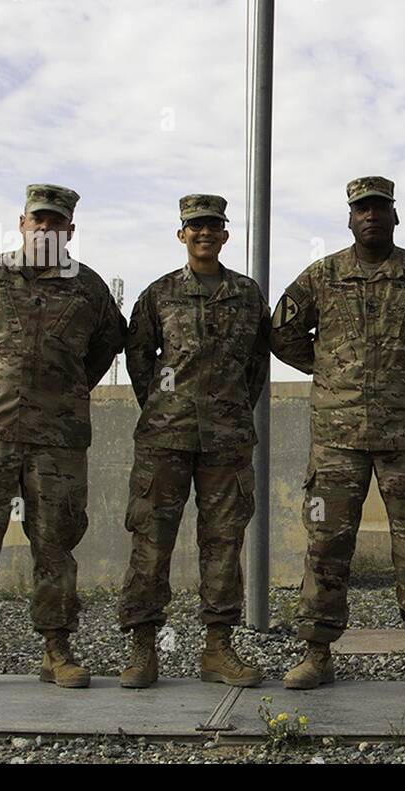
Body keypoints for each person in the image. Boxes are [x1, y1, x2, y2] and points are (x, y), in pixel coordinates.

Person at [270, 176, 405, 690]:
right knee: (326, 543)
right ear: (349, 217)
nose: (371, 217)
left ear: (394, 216)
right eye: (362, 209)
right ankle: (317, 652)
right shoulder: (323, 276)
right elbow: (282, 333)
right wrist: (329, 369)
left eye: (380, 208)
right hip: (337, 434)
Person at [0, 183, 126, 691]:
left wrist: (63, 393)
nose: (46, 228)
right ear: (21, 222)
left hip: (58, 440)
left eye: (57, 221)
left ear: (70, 230)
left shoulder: (90, 290)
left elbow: (103, 350)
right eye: (39, 219)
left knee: (56, 545)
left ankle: (57, 648)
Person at [117, 194, 271, 689]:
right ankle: (143, 649)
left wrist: (230, 408)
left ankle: (218, 650)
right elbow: (139, 357)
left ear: (225, 235)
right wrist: (165, 405)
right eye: (194, 226)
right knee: (150, 539)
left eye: (213, 226)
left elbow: (256, 366)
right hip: (165, 438)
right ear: (181, 234)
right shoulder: (159, 294)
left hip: (227, 440)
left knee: (224, 542)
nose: (204, 233)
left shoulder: (248, 295)